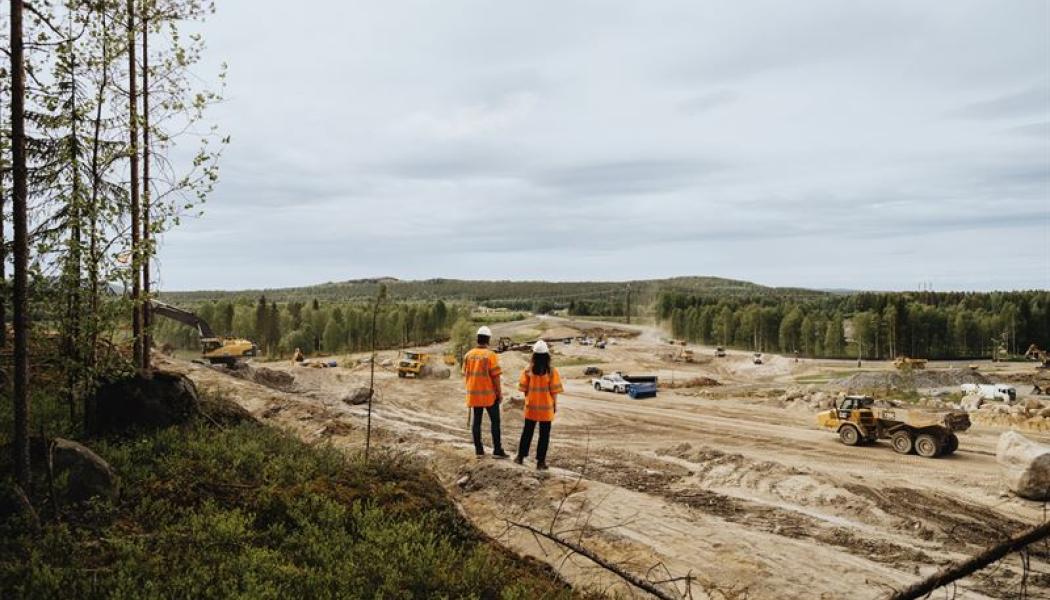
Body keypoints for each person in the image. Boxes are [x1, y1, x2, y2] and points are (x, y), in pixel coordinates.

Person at [514, 340, 563, 471]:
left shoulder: (528, 370)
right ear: (547, 355)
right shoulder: (552, 371)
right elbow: (554, 391)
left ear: (534, 355)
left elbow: (523, 388)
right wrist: (554, 405)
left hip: (531, 408)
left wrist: (529, 399)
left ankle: (520, 457)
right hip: (546, 409)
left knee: (527, 432)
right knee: (544, 435)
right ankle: (540, 462)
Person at [463, 326, 508, 458]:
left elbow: (465, 374)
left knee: (476, 422)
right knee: (495, 422)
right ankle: (497, 450)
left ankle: (479, 451)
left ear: (477, 338)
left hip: (474, 395)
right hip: (489, 396)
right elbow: (495, 377)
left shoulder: (468, 355)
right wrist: (499, 394)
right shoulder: (490, 355)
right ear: (488, 339)